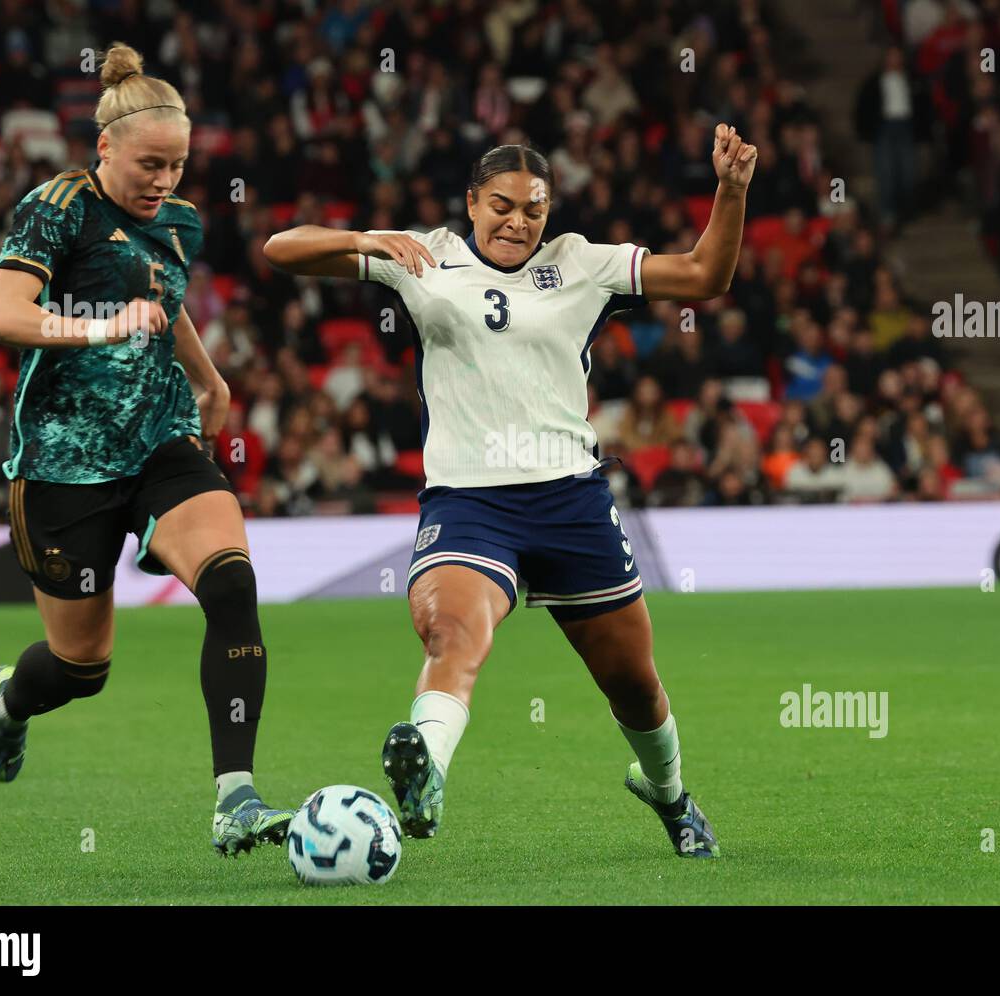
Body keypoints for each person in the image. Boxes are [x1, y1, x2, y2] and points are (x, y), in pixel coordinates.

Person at [265, 124, 760, 858]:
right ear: (471, 202)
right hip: (470, 503)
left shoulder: (581, 264)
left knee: (634, 685)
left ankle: (671, 795)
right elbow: (281, 250)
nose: (518, 222)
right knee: (454, 634)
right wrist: (368, 240)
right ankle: (427, 769)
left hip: (571, 502)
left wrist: (731, 190)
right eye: (502, 205)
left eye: (533, 209)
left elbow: (703, 277)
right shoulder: (423, 254)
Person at [0, 44, 292, 857]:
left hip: (159, 439)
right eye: (149, 164)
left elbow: (162, 295)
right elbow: (0, 315)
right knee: (81, 668)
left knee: (231, 583)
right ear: (104, 147)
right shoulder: (56, 207)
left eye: (179, 167)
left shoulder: (180, 222)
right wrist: (99, 326)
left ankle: (237, 798)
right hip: (61, 465)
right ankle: (12, 702)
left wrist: (205, 374)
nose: (164, 183)